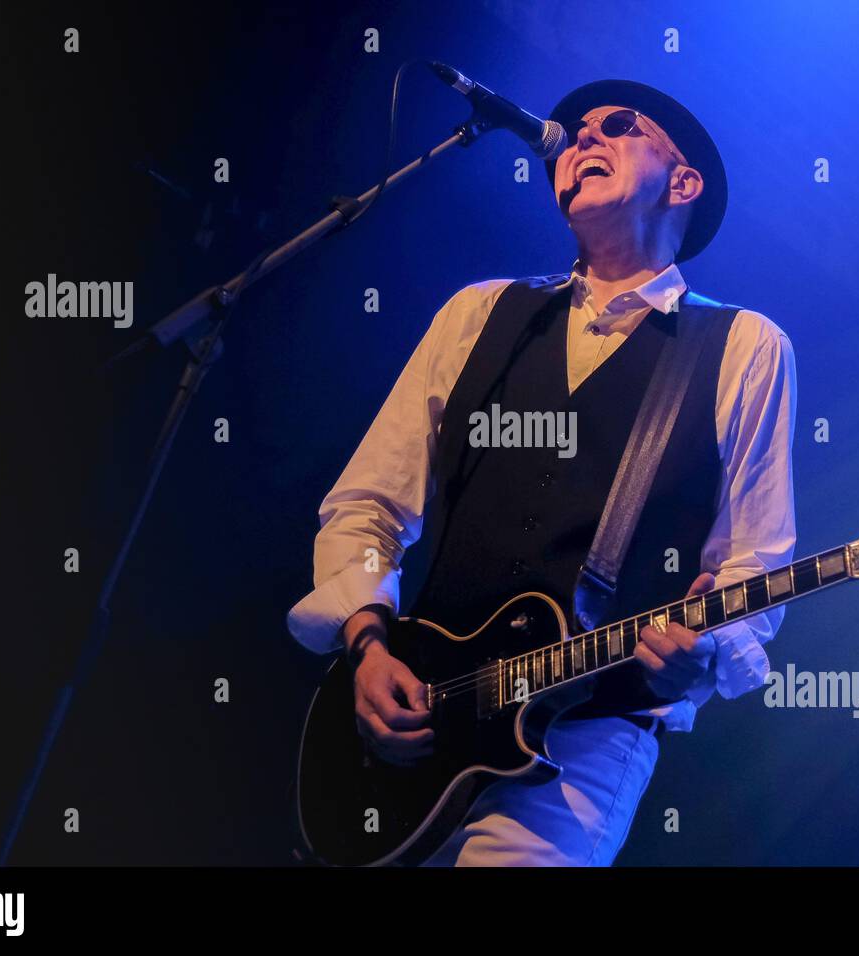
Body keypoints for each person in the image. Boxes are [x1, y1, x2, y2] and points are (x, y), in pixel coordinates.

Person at [288, 79, 797, 865]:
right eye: (574, 129)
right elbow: (369, 504)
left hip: (583, 745)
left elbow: (752, 568)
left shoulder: (743, 345)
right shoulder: (480, 312)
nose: (583, 136)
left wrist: (699, 660)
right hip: (417, 710)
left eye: (619, 126)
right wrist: (366, 644)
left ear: (684, 182)